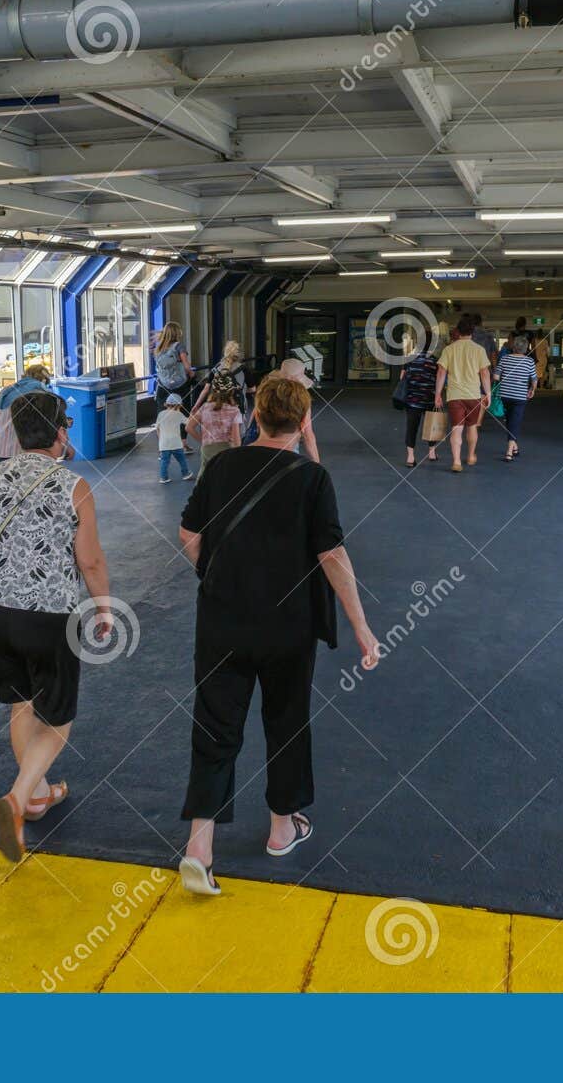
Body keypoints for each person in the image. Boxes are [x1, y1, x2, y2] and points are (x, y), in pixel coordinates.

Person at [175, 377, 379, 896]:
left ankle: (200, 848)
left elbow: (189, 535)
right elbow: (331, 555)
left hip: (221, 621)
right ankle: (281, 829)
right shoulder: (312, 478)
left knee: (216, 724)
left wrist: (217, 577)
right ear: (303, 422)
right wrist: (361, 626)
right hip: (288, 628)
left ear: (255, 417)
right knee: (286, 721)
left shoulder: (221, 466)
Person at [0, 392, 112, 863]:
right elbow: (91, 560)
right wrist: (104, 608)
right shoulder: (73, 486)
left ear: (18, 433)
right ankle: (19, 799)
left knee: (21, 704)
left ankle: (38, 795)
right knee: (58, 719)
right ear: (62, 430)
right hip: (49, 616)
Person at [433, 316, 491, 473]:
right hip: (473, 395)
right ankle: (471, 456)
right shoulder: (479, 350)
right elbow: (485, 373)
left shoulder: (449, 349)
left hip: (454, 396)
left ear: (458, 331)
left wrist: (438, 394)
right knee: (472, 427)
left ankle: (457, 461)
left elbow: (441, 373)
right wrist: (488, 393)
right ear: (472, 331)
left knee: (457, 429)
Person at [0, 364, 52, 470]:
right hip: (27, 450)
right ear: (44, 380)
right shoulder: (42, 393)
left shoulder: (5, 392)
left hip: (2, 450)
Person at [395, 337, 442, 468]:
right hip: (429, 399)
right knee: (431, 425)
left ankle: (410, 457)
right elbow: (439, 379)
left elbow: (402, 378)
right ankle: (432, 453)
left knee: (412, 428)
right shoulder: (435, 360)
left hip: (412, 400)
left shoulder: (409, 359)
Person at [494, 332, 539, 462]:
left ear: (514, 347)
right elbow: (534, 379)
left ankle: (515, 447)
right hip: (520, 396)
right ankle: (509, 452)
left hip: (505, 394)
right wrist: (532, 389)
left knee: (510, 420)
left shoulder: (505, 359)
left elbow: (496, 377)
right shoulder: (529, 361)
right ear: (525, 349)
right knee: (516, 421)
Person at [187, 380, 243, 470]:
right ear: (231, 392)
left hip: (207, 448)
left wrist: (202, 441)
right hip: (226, 449)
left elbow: (189, 427)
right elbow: (236, 441)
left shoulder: (205, 407)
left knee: (205, 474)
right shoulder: (235, 411)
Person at [194, 340, 248, 415]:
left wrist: (196, 405)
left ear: (225, 353)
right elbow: (253, 389)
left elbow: (206, 389)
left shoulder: (217, 368)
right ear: (238, 354)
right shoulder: (244, 368)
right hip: (236, 406)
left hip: (218, 405)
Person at [156, 393, 193, 483]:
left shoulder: (161, 414)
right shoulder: (178, 414)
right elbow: (188, 422)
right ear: (179, 405)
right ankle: (185, 474)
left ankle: (163, 478)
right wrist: (191, 415)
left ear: (167, 404)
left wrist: (160, 440)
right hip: (176, 442)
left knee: (164, 461)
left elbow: (157, 428)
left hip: (164, 443)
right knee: (181, 459)